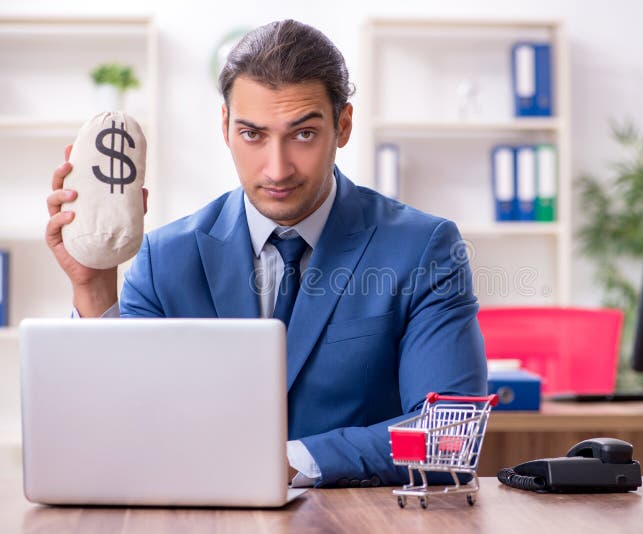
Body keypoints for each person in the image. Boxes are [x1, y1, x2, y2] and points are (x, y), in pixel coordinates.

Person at [46, 19, 487, 488]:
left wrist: (294, 462)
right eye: (253, 135)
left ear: (342, 126)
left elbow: (449, 436)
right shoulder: (164, 259)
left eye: (303, 134)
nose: (277, 169)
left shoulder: (423, 249)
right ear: (225, 127)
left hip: (360, 517)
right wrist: (92, 287)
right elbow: (119, 428)